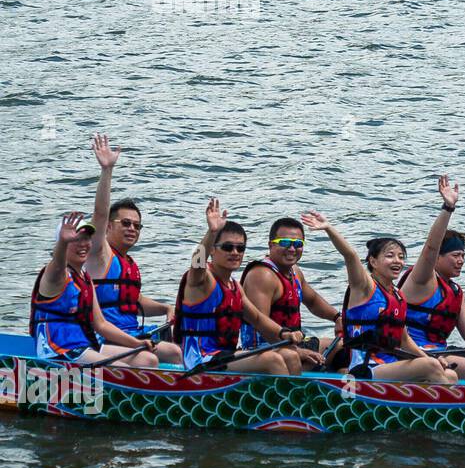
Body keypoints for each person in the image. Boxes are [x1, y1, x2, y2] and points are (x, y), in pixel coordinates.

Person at [302, 211, 456, 383]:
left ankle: (425, 406)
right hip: (364, 368)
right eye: (389, 256)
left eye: (401, 257)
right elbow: (350, 255)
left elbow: (404, 340)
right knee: (430, 367)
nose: (397, 261)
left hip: (390, 364)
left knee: (449, 373)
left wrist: (432, 359)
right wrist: (329, 228)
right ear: (373, 262)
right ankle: (442, 407)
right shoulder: (364, 287)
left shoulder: (398, 296)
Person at [85, 134, 181, 365]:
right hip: (101, 338)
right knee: (147, 360)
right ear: (108, 226)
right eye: (125, 223)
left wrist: (166, 307)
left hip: (130, 334)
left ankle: (174, 395)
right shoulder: (99, 254)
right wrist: (107, 170)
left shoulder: (127, 262)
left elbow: (131, 299)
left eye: (137, 226)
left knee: (176, 353)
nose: (132, 229)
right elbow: (99, 213)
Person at [175, 200, 295, 374]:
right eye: (227, 247)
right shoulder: (202, 279)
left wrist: (284, 333)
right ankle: (283, 400)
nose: (235, 252)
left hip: (225, 356)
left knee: (289, 355)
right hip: (199, 359)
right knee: (272, 359)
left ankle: (296, 399)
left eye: (240, 248)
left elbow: (258, 320)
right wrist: (212, 232)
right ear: (213, 250)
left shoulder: (235, 287)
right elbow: (197, 261)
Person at [31, 212, 161, 368]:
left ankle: (146, 389)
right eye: (76, 239)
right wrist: (63, 243)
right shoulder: (55, 275)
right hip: (58, 348)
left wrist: (136, 343)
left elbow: (101, 325)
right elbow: (58, 264)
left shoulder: (85, 278)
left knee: (148, 360)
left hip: (85, 342)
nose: (83, 244)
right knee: (123, 370)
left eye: (86, 239)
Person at [397, 176, 465, 379]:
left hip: (438, 351)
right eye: (455, 256)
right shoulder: (421, 279)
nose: (461, 261)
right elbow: (430, 247)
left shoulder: (455, 291)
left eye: (463, 256)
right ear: (438, 259)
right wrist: (448, 208)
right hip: (408, 353)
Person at [239, 217, 343, 374]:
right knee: (295, 357)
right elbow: (260, 325)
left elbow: (313, 301)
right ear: (271, 245)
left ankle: (344, 385)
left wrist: (337, 318)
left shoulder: (295, 271)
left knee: (340, 346)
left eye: (298, 244)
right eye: (285, 243)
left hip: (291, 345)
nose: (292, 249)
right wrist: (299, 352)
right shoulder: (262, 275)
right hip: (264, 350)